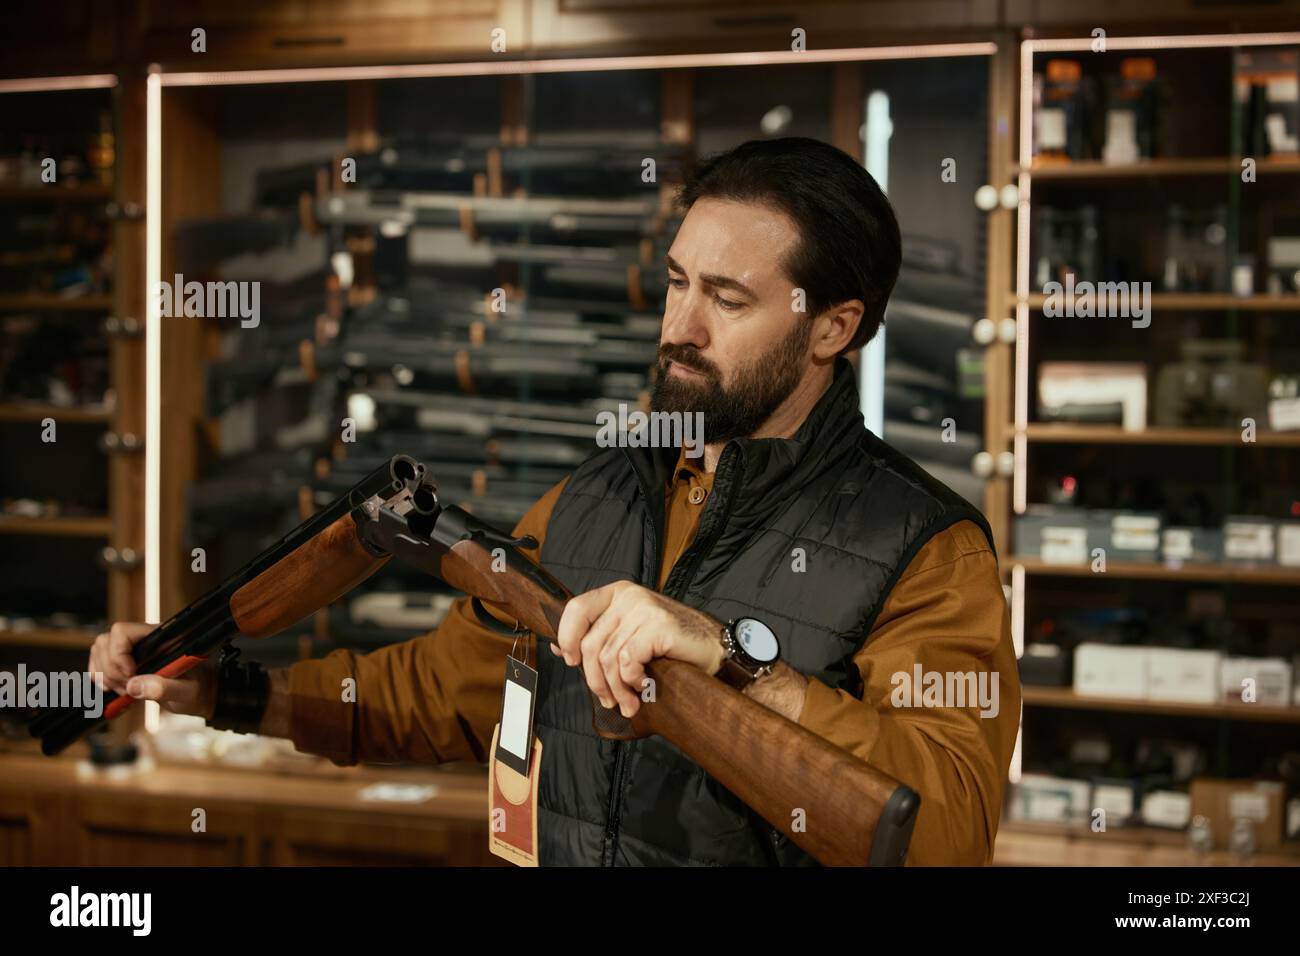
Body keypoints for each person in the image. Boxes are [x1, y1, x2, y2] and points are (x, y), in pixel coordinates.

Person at [92, 137, 1020, 866]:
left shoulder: (926, 546)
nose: (679, 330)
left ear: (834, 326)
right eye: (676, 282)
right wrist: (220, 689)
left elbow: (944, 830)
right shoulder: (597, 494)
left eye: (728, 300)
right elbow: (435, 694)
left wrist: (733, 665)